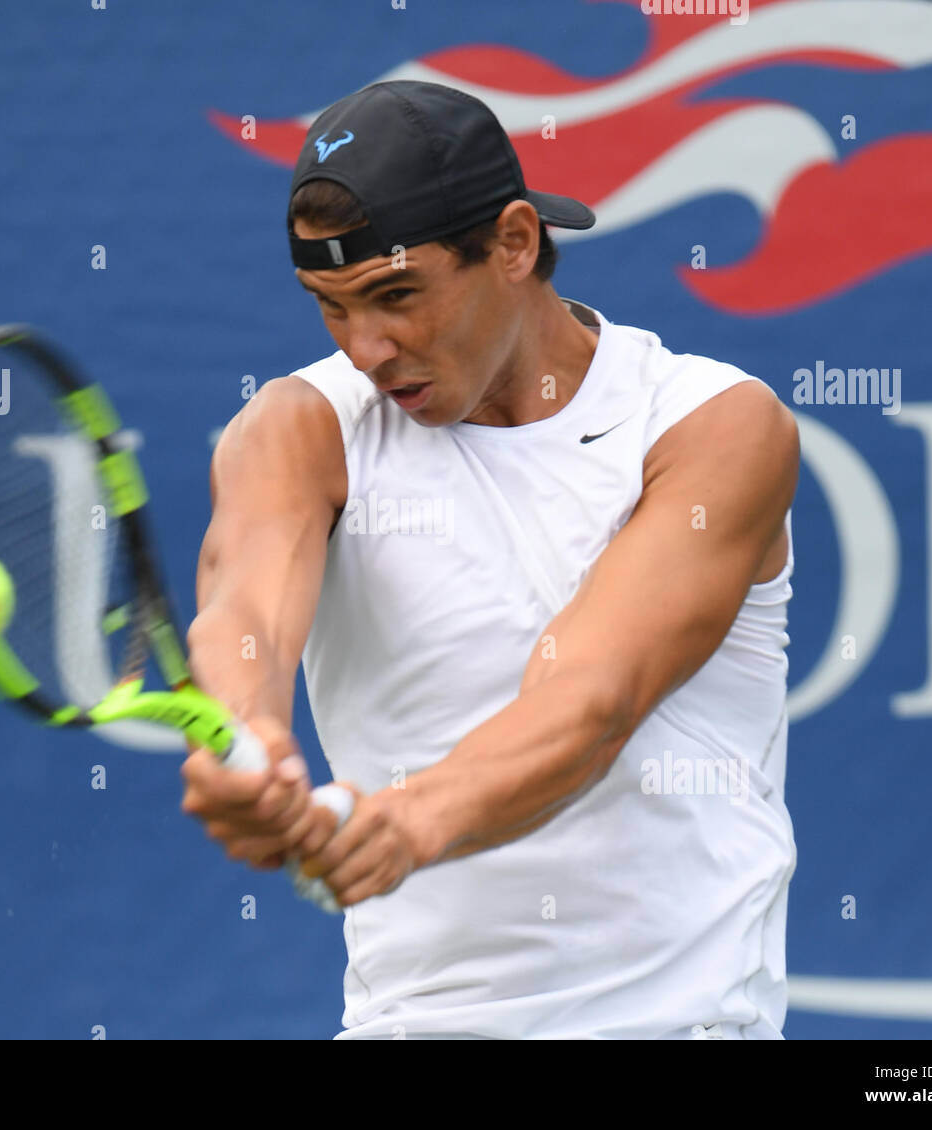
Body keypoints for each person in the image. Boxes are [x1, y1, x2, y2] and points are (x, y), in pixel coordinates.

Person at [181, 79, 799, 1040]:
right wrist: (242, 739)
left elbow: (589, 700)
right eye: (330, 307)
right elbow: (246, 614)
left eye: (394, 295)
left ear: (514, 243)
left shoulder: (710, 425)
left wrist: (411, 818)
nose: (367, 349)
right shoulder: (298, 429)